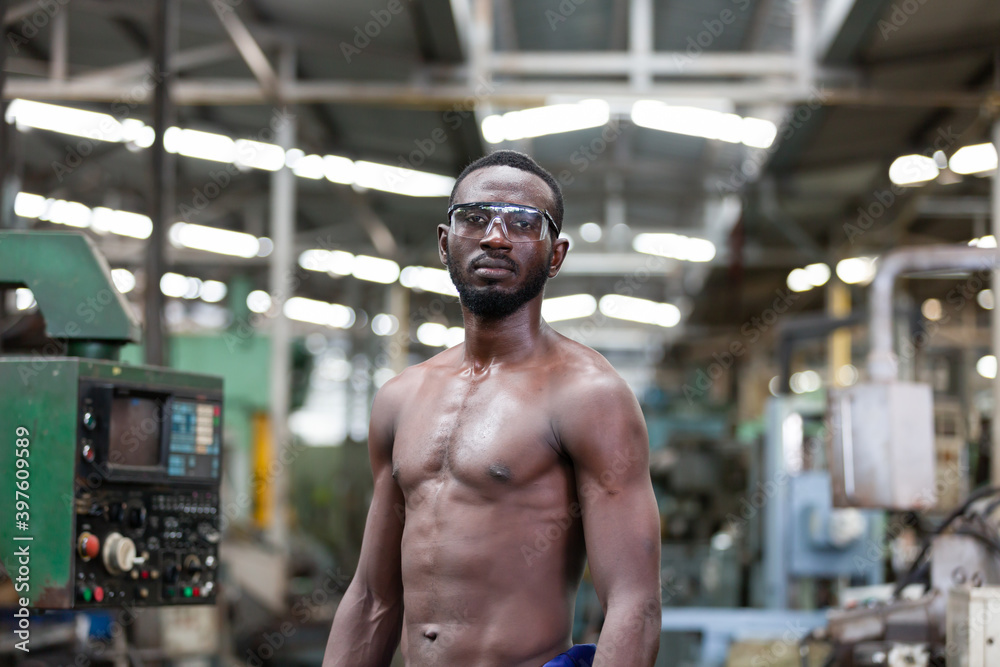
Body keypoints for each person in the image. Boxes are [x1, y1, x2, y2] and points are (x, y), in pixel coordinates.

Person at [322, 150, 661, 667]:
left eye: (523, 223)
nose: (495, 236)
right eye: (475, 218)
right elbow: (372, 598)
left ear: (556, 254)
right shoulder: (400, 398)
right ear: (445, 242)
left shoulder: (589, 396)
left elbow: (633, 604)